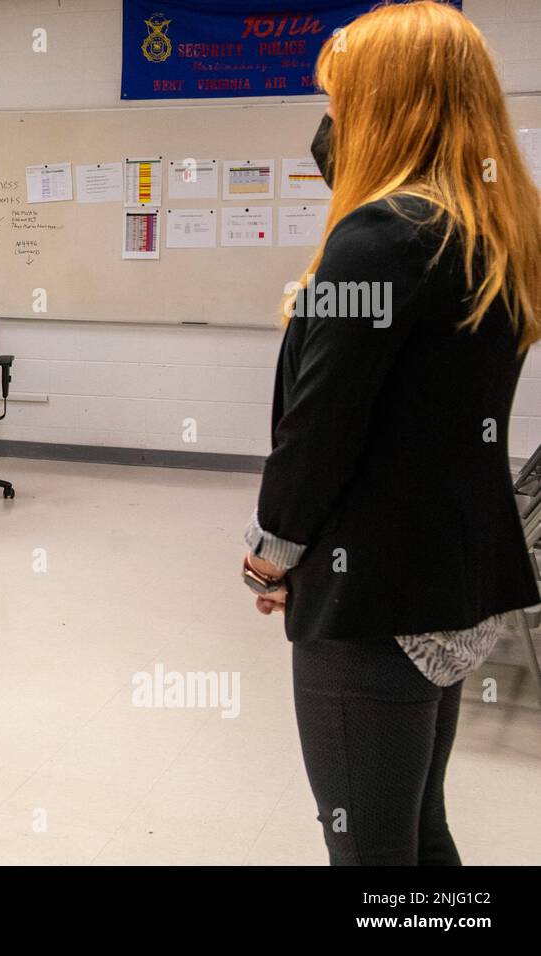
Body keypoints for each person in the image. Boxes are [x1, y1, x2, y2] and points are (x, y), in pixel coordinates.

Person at [242, 1, 541, 865]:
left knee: (369, 854)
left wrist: (270, 552)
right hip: (452, 578)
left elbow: (320, 430)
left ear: (388, 105)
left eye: (339, 102)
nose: (330, 122)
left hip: (373, 593)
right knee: (417, 828)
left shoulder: (379, 237)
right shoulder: (495, 231)